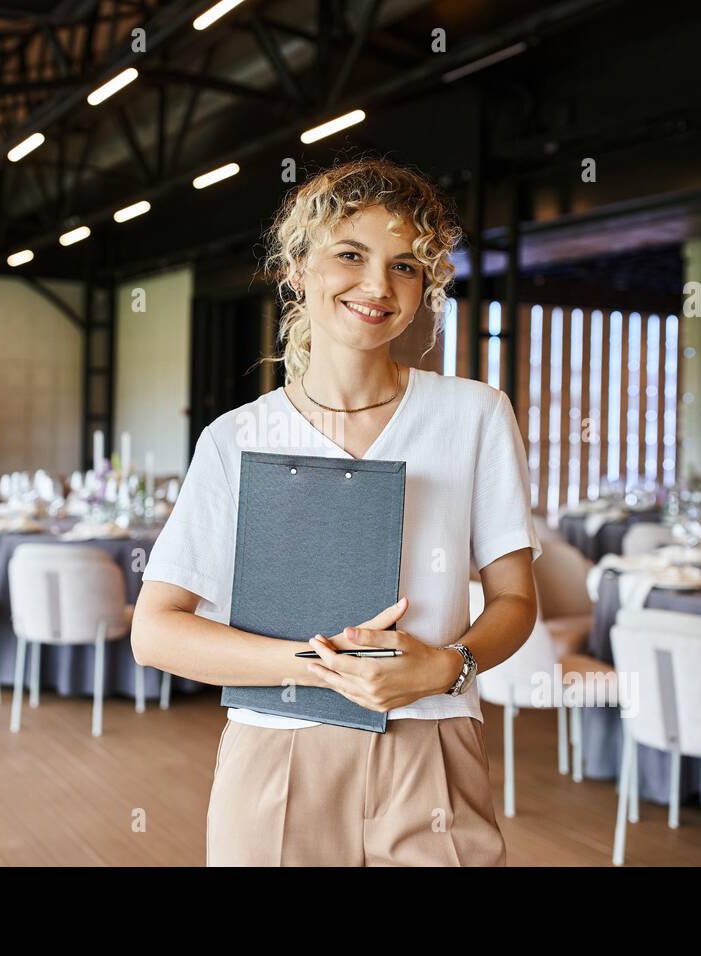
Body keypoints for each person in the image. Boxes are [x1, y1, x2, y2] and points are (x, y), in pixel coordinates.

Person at [131, 156, 540, 866]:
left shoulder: (475, 415)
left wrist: (448, 665)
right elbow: (156, 632)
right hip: (276, 748)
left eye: (405, 266)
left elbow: (516, 600)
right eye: (350, 255)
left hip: (430, 741)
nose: (377, 286)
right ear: (298, 268)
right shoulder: (236, 438)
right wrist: (322, 666)